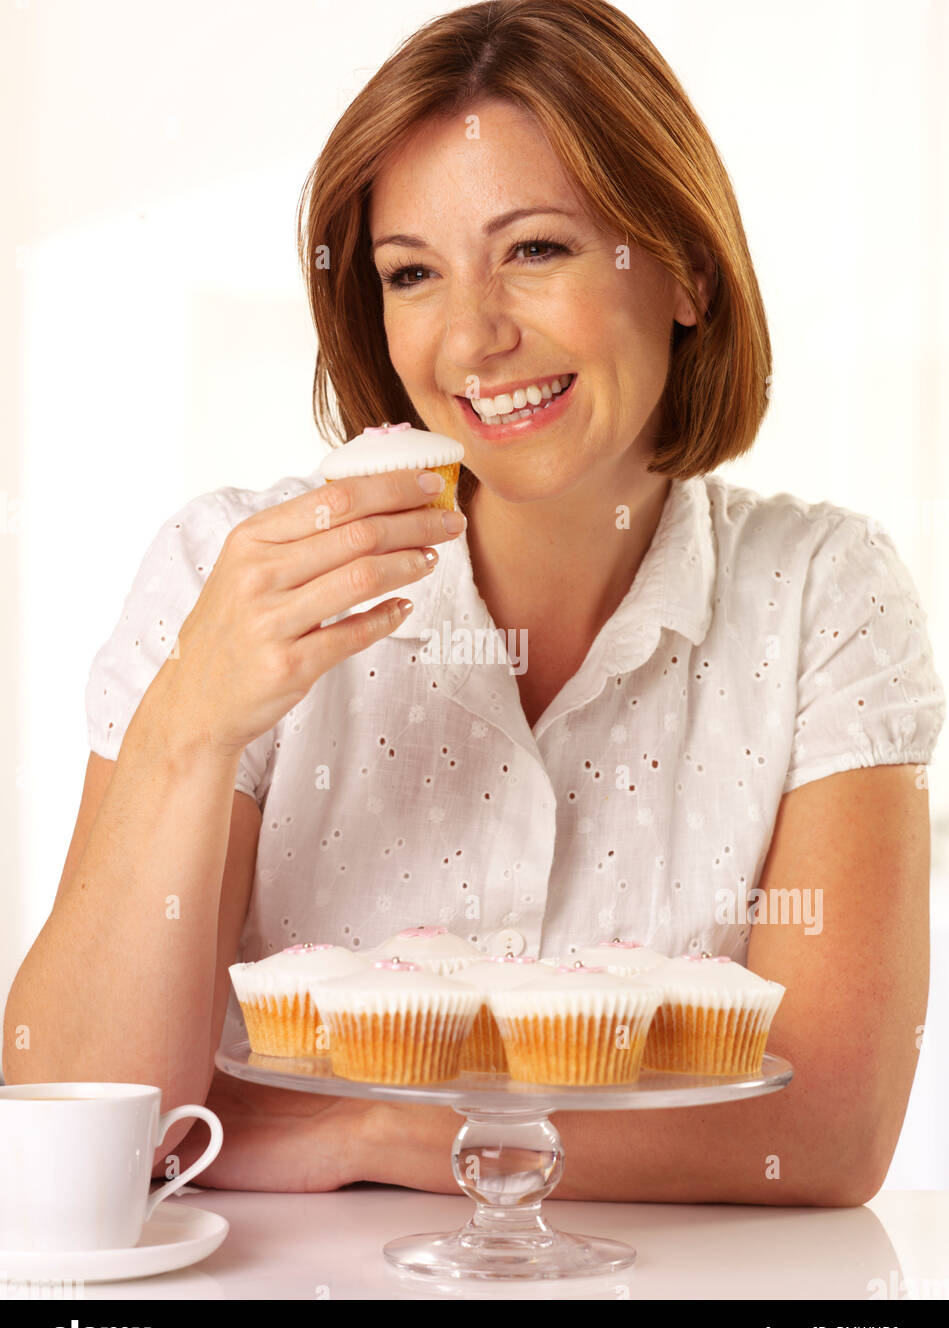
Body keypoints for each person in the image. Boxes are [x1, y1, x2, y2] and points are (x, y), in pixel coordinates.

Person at [4, 0, 944, 1207]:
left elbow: (822, 1136)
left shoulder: (824, 597)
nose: (473, 338)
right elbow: (77, 1129)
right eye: (411, 274)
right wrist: (190, 726)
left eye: (537, 249)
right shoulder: (223, 573)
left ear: (687, 269)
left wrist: (368, 1130)